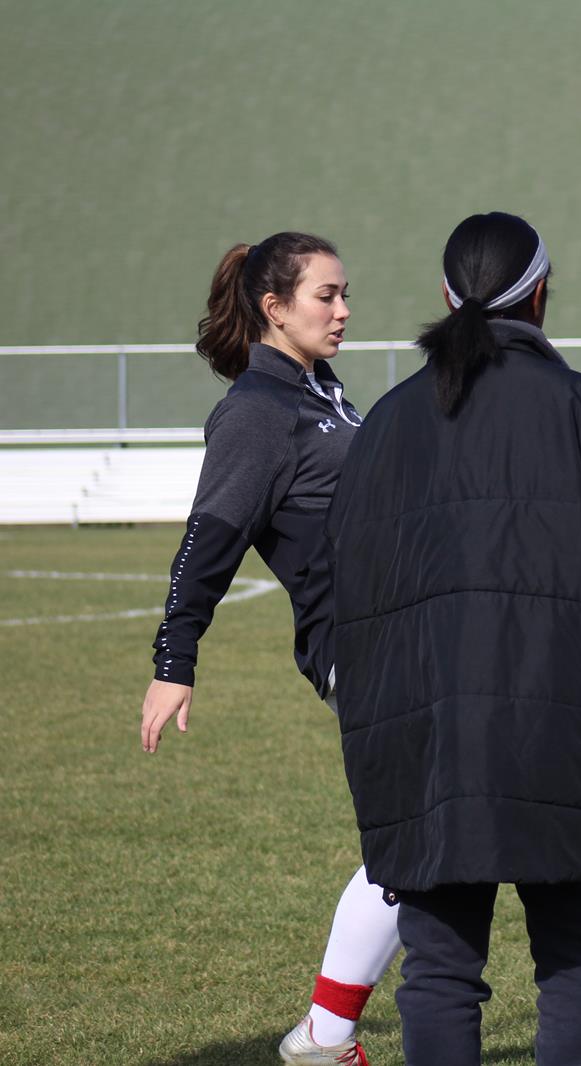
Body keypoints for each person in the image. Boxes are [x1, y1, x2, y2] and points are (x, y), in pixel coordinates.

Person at [323, 211, 581, 1066]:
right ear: (540, 298)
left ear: (447, 297)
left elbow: (356, 611)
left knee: (440, 973)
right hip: (570, 737)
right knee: (578, 967)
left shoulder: (382, 425)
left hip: (427, 745)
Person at [138, 232, 399, 1066]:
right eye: (327, 296)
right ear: (273, 308)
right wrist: (173, 664)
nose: (345, 309)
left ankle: (349, 1026)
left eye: (345, 292)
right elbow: (207, 541)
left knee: (440, 834)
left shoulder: (323, 393)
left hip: (407, 636)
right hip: (359, 649)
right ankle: (327, 1035)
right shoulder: (257, 412)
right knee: (415, 842)